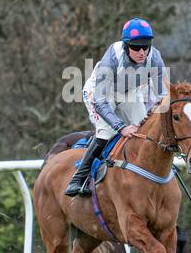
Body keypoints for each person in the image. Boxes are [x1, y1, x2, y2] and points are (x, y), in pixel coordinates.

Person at [67, 17, 168, 197]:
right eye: (136, 47)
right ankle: (78, 178)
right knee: (107, 132)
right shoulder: (113, 58)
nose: (142, 52)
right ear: (125, 45)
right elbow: (100, 102)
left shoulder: (155, 58)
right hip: (100, 95)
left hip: (129, 92)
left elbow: (162, 96)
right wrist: (121, 127)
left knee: (143, 130)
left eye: (146, 46)